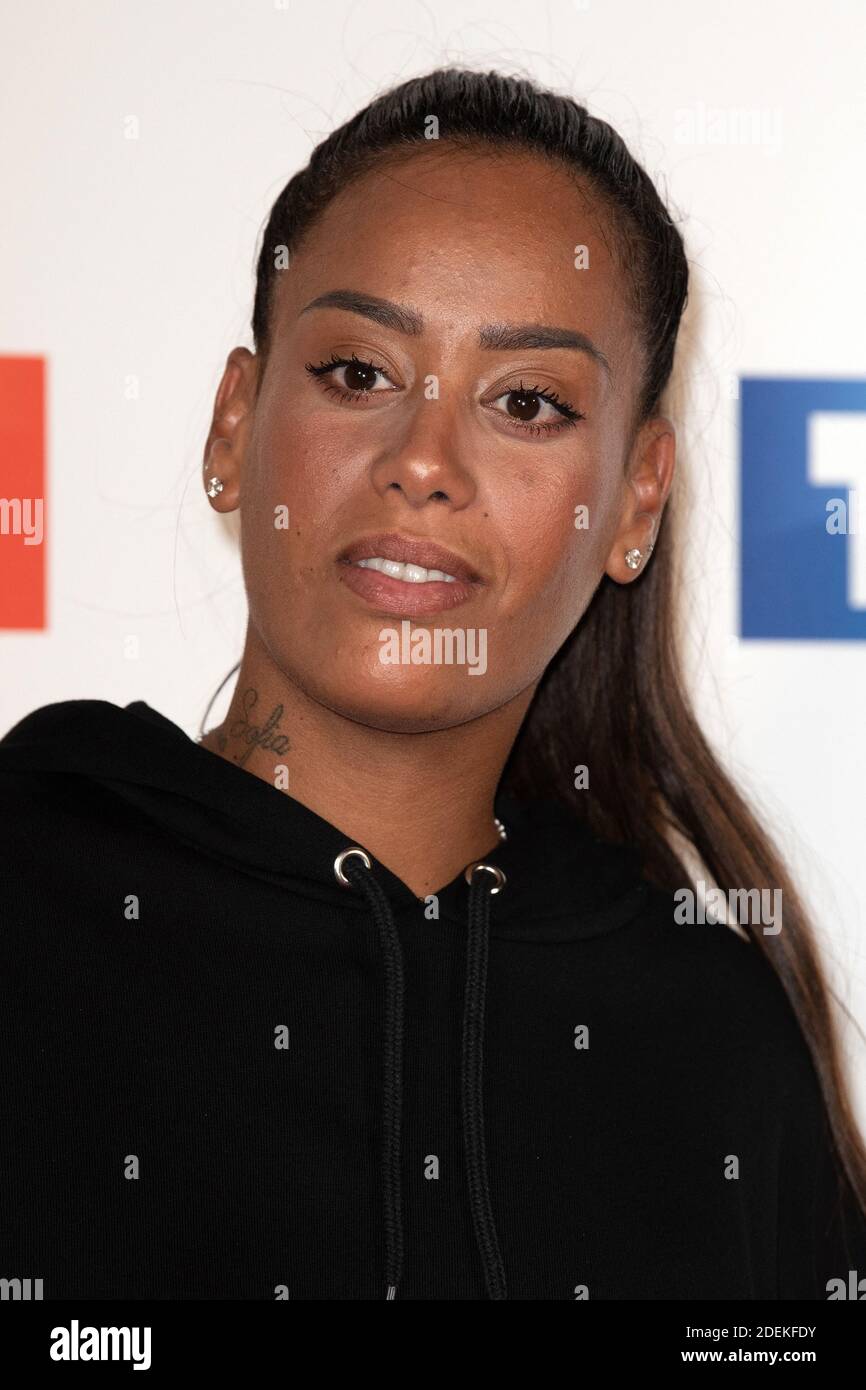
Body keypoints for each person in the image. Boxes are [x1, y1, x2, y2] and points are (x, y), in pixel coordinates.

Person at [2, 67, 865, 1302]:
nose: (420, 461)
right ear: (231, 425)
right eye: (358, 372)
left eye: (525, 401)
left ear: (634, 502)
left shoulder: (706, 1040)